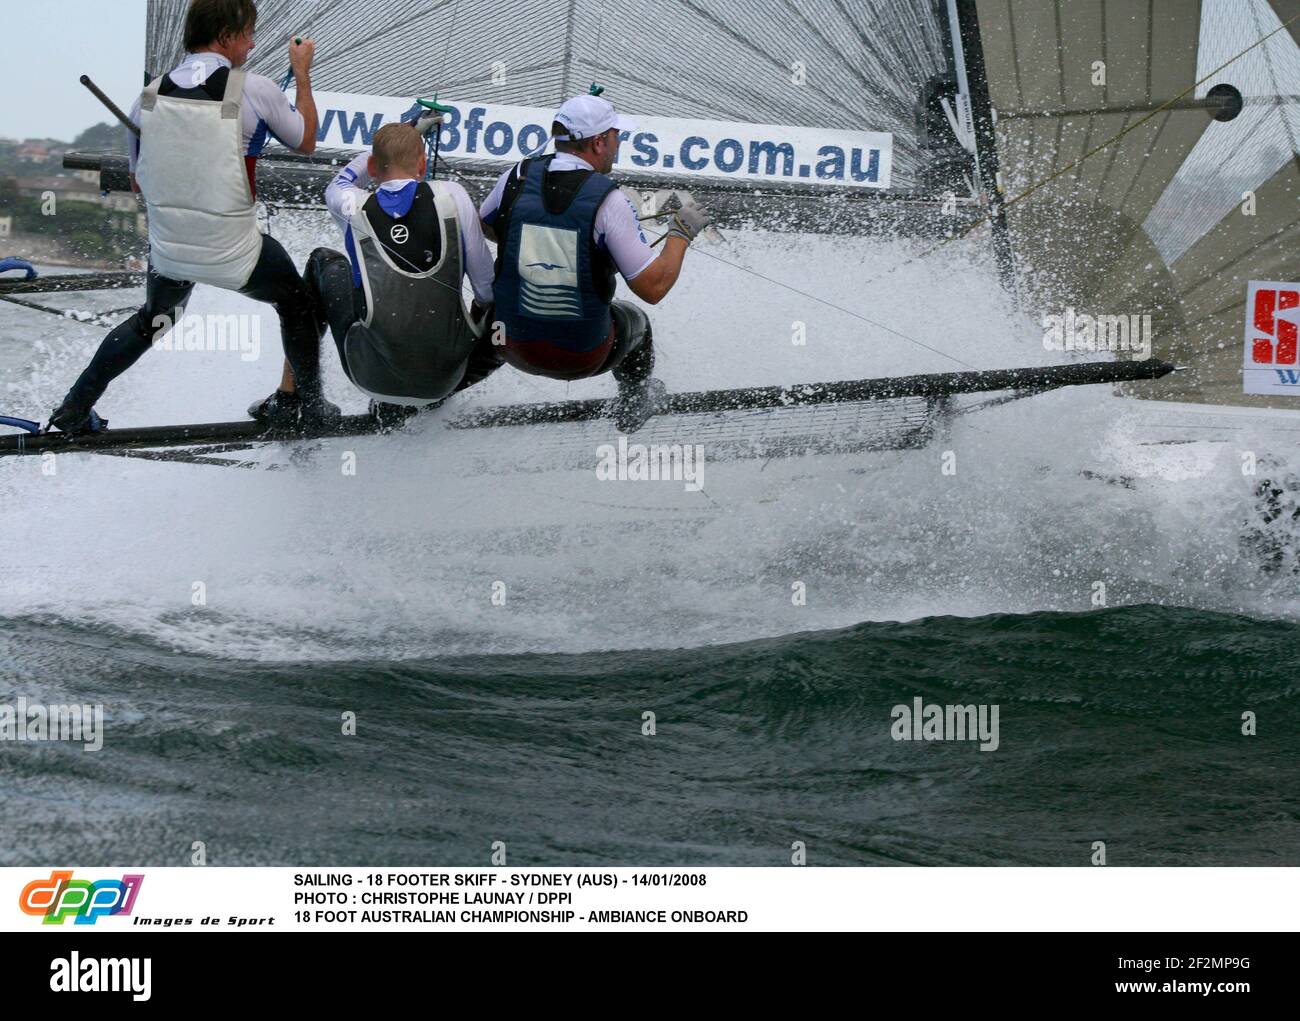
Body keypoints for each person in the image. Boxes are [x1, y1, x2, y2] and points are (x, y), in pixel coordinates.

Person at [46, 0, 335, 433]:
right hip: (236, 252)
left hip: (170, 253)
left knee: (152, 322)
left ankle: (72, 408)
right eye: (248, 34)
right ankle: (307, 409)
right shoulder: (254, 89)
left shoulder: (145, 98)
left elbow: (141, 181)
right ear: (226, 36)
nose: (253, 44)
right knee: (298, 306)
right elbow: (307, 140)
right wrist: (303, 73)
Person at [480, 93, 713, 432]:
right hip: (581, 357)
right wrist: (681, 233)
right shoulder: (610, 200)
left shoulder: (515, 175)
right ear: (599, 142)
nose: (618, 144)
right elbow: (653, 287)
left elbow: (488, 227)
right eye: (616, 136)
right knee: (639, 321)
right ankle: (635, 401)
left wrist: (545, 243)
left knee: (490, 312)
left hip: (508, 347)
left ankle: (435, 393)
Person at [300, 120, 500, 422]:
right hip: (442, 380)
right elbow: (486, 290)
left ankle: (301, 399)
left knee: (323, 260)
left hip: (369, 377)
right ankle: (427, 396)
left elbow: (341, 182)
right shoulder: (453, 196)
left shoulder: (351, 203)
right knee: (507, 308)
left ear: (372, 165)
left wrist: (410, 130)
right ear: (422, 164)